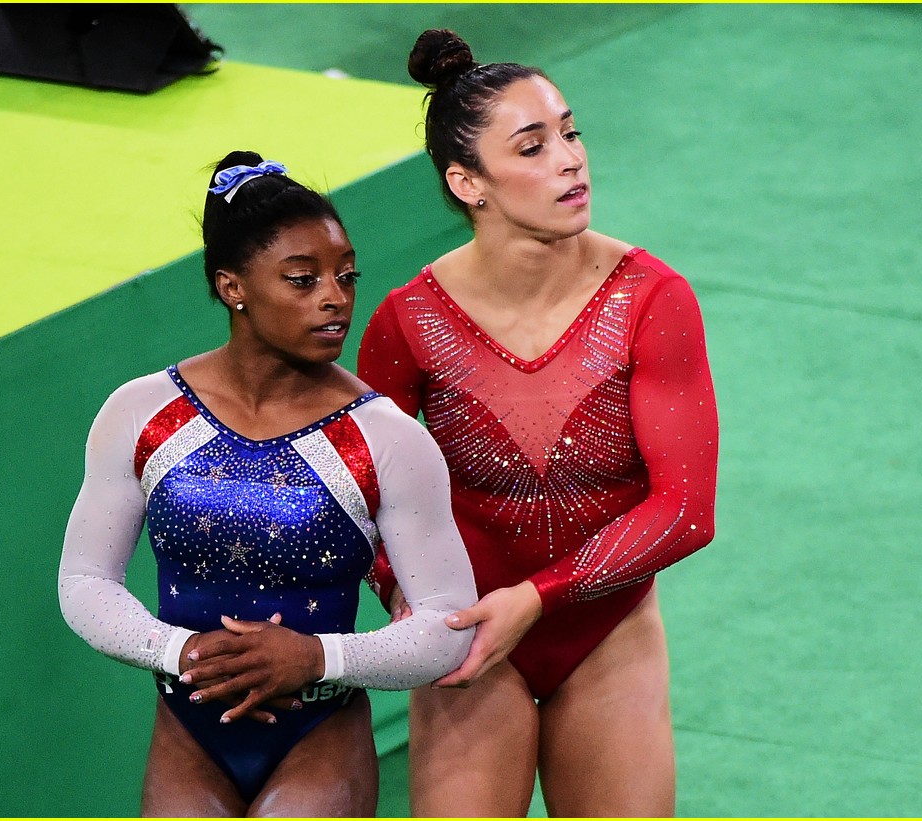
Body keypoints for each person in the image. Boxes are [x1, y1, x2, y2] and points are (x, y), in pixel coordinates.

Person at [356, 30, 719, 817]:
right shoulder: (407, 322)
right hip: (469, 636)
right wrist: (407, 596)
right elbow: (361, 495)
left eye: (570, 132)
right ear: (467, 182)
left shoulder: (653, 301)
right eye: (532, 146)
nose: (570, 159)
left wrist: (538, 597)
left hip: (605, 630)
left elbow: (685, 509)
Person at [58, 151, 477, 817]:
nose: (336, 297)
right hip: (188, 731)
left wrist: (318, 658)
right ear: (233, 287)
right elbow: (84, 580)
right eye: (302, 280)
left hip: (317, 732)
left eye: (345, 276)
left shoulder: (387, 439)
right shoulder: (141, 414)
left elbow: (448, 623)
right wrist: (178, 649)